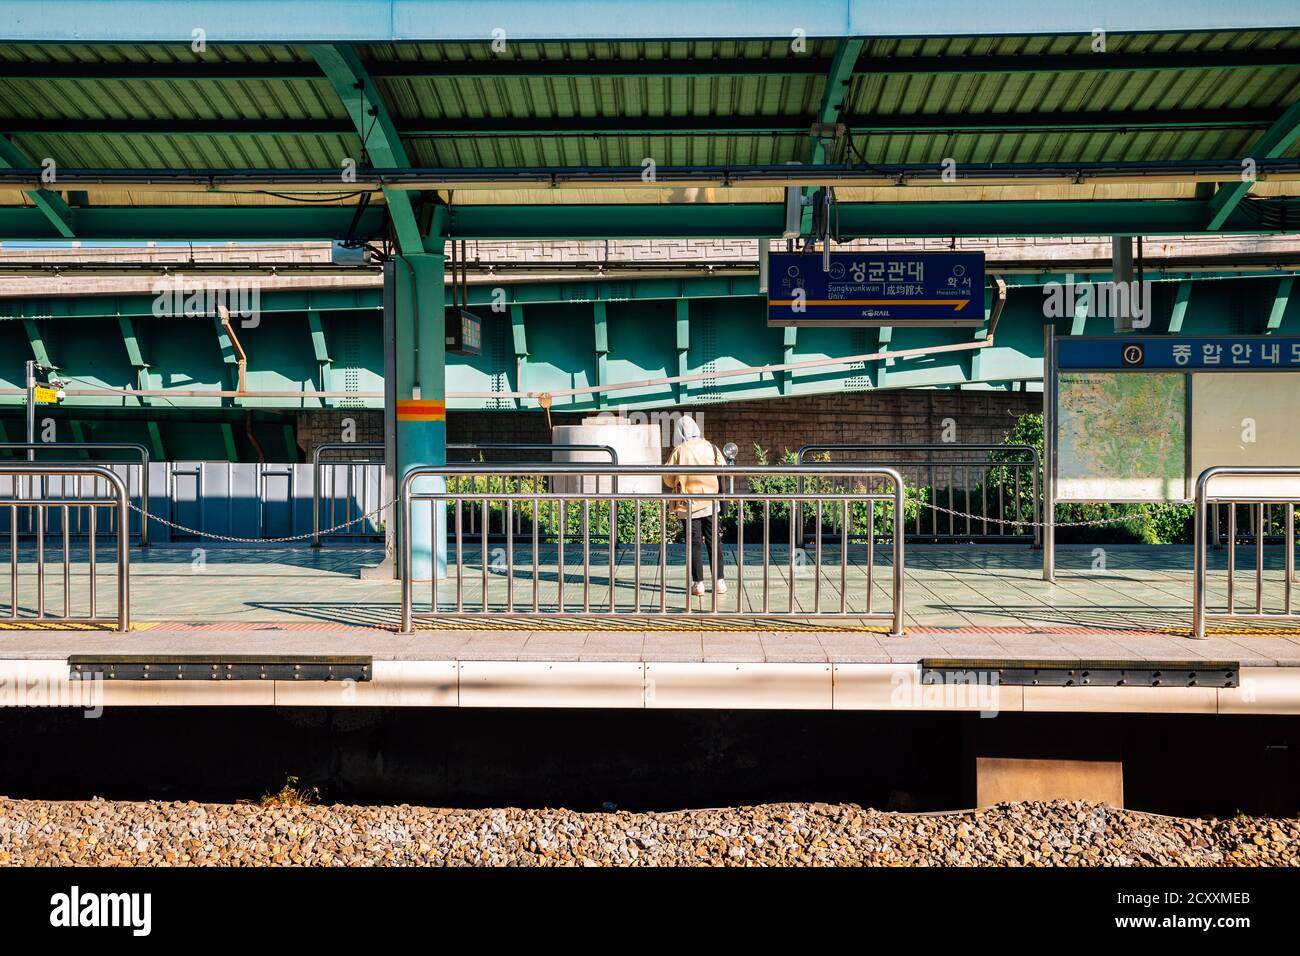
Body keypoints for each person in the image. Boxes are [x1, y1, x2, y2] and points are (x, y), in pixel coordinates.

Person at [663, 415, 727, 597]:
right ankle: (719, 582)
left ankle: (698, 583)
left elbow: (668, 479)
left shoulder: (679, 451)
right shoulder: (711, 447)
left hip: (687, 504)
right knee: (713, 541)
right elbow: (723, 468)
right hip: (711, 502)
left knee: (693, 544)